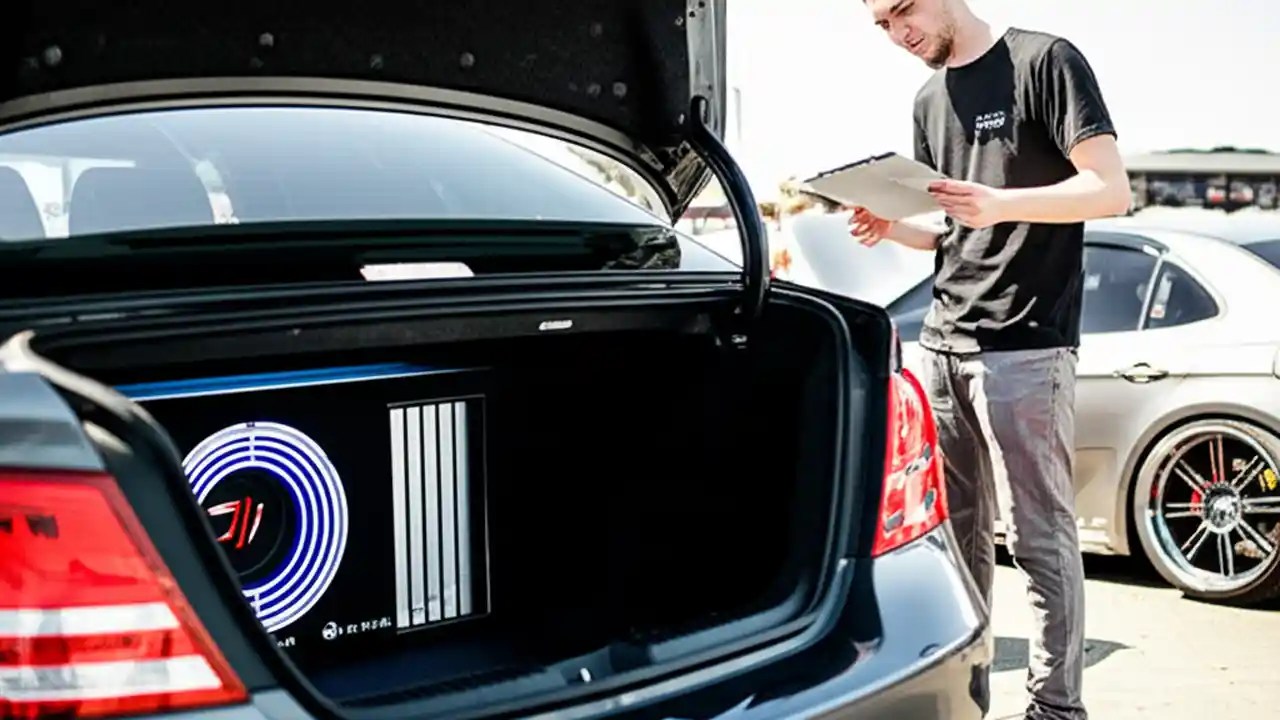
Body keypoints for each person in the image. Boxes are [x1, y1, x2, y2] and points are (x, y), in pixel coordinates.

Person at [853, 1, 1131, 719]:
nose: (898, 32)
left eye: (904, 10)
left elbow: (1110, 190)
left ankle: (1055, 709)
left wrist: (1001, 202)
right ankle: (967, 702)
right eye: (882, 25)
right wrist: (892, 227)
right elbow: (953, 226)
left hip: (1027, 348)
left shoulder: (1045, 61)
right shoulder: (928, 98)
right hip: (942, 345)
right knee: (955, 547)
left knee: (1040, 541)